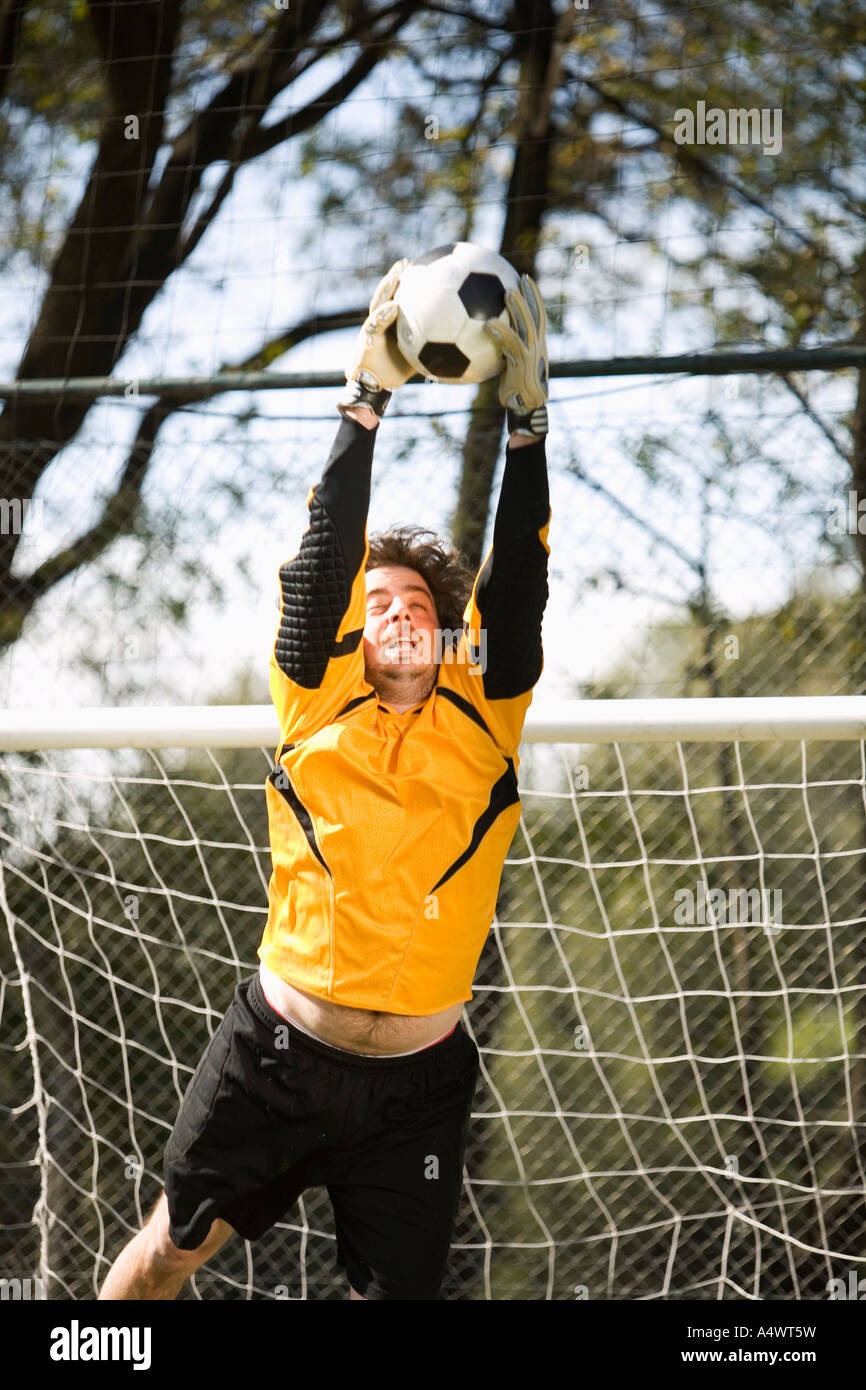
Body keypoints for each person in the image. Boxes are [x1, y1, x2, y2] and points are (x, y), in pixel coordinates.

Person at [98, 258, 550, 1302]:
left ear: (447, 632)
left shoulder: (486, 713)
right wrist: (366, 393)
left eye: (416, 603)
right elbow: (321, 556)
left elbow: (515, 586)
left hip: (417, 1092)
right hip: (276, 1054)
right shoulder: (313, 694)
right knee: (171, 1245)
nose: (395, 611)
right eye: (376, 599)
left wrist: (526, 424)